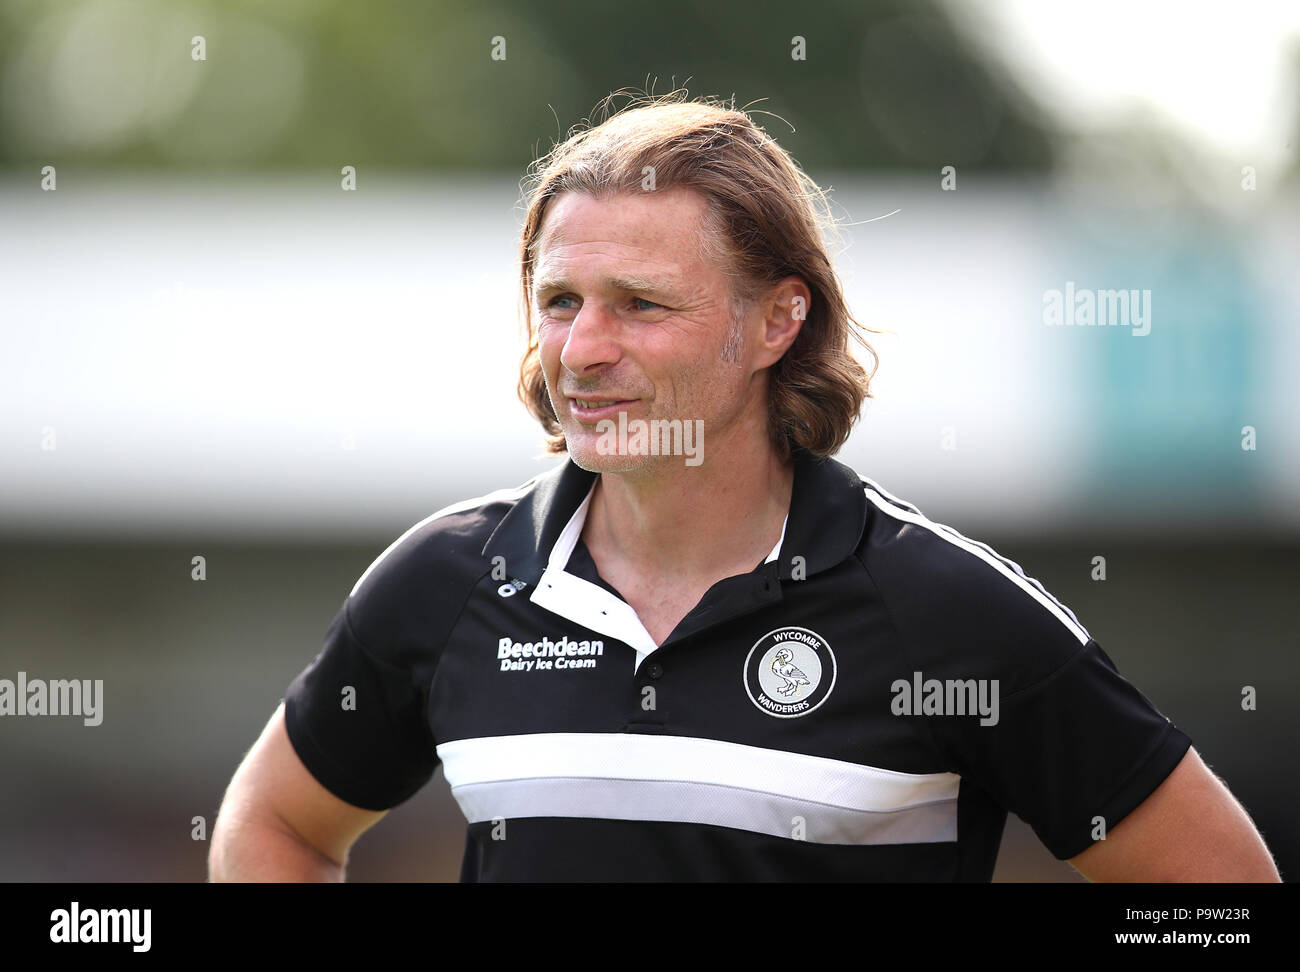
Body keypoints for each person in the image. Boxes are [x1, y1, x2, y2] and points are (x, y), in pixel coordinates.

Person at [209, 91, 1280, 882]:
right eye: (560, 300)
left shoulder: (944, 612)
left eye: (639, 304)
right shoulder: (446, 586)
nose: (582, 348)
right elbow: (276, 827)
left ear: (777, 321)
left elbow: (1219, 894)